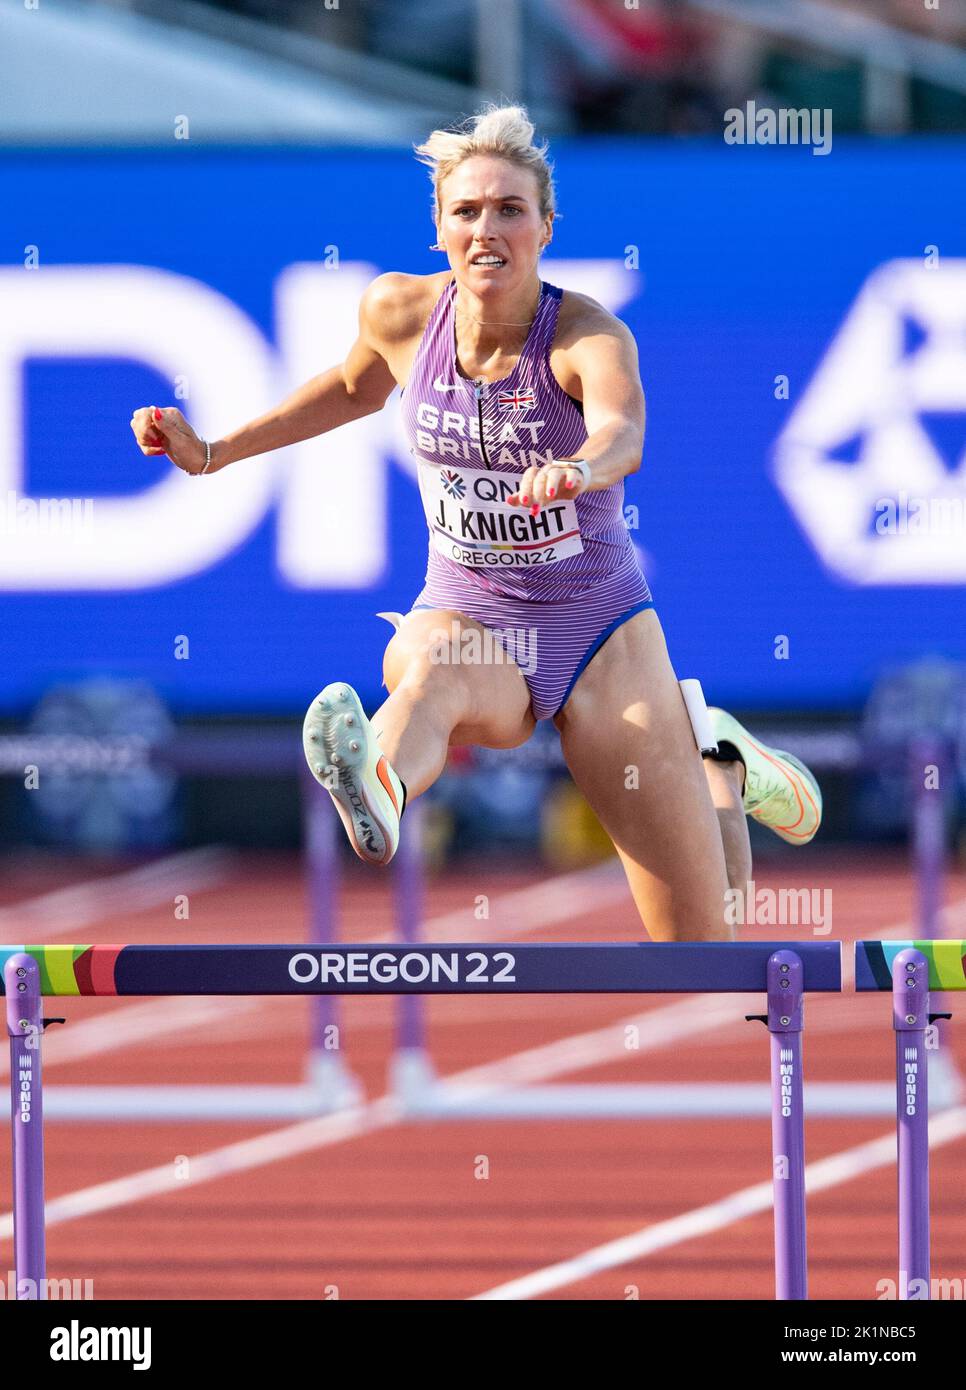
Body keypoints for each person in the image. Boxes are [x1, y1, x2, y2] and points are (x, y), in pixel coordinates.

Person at [130, 104, 821, 943]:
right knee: (423, 672)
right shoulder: (399, 313)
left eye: (508, 210)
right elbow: (351, 388)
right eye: (466, 212)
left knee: (704, 946)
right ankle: (377, 781)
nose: (485, 229)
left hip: (601, 633)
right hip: (471, 609)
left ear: (544, 228)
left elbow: (622, 432)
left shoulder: (584, 335)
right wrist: (213, 452)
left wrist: (582, 467)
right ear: (439, 230)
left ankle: (721, 762)